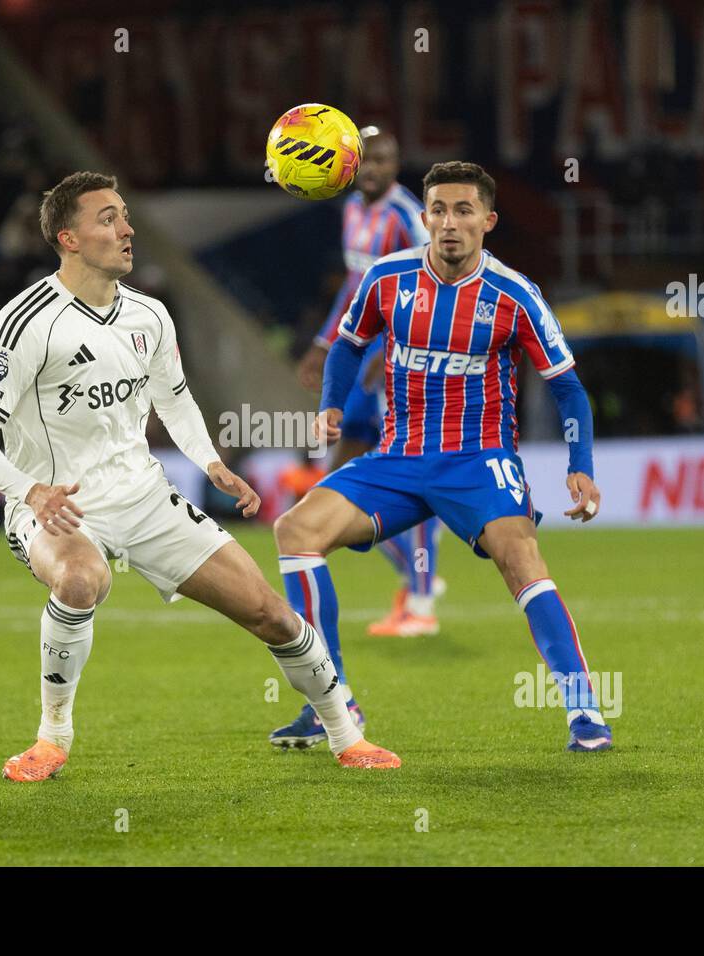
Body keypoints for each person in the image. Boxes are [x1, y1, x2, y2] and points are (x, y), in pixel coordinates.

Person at [0, 171, 401, 779]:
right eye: (107, 218)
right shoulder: (27, 323)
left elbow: (175, 399)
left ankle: (346, 734)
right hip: (59, 503)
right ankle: (51, 737)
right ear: (69, 238)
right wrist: (30, 491)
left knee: (271, 613)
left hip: (144, 496)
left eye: (126, 215)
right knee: (81, 582)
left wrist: (212, 463)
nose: (127, 228)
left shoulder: (150, 315)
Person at [274, 161, 612, 753]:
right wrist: (332, 404)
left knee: (520, 555)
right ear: (424, 216)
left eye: (463, 211)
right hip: (398, 457)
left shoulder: (514, 295)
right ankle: (331, 699)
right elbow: (346, 347)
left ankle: (584, 712)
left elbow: (568, 388)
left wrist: (579, 464)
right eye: (439, 211)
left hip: (477, 459)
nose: (449, 223)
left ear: (488, 220)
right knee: (295, 531)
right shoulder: (387, 278)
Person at [270, 127, 446, 749]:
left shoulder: (405, 215)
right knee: (336, 487)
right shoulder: (351, 210)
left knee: (405, 473)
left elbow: (435, 284)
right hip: (357, 353)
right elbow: (354, 287)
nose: (374, 166)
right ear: (349, 164)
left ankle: (421, 594)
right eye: (367, 157)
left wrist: (395, 349)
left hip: (396, 364)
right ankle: (410, 582)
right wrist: (326, 341)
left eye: (385, 158)